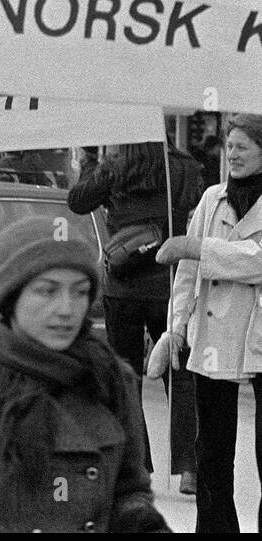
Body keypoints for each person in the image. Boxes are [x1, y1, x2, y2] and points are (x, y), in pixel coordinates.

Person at [0, 216, 169, 533]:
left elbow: (130, 490)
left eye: (79, 292)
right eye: (47, 291)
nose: (66, 308)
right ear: (11, 297)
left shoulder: (111, 378)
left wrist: (140, 524)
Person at [67, 140, 203, 494]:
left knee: (127, 376)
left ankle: (138, 464)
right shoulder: (185, 167)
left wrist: (89, 162)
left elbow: (78, 201)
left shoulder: (114, 167)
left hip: (123, 285)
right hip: (169, 282)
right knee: (180, 373)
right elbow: (192, 207)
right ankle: (190, 466)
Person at [159, 113, 262, 533]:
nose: (232, 155)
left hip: (257, 337)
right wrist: (175, 328)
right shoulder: (211, 199)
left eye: (242, 147)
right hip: (212, 336)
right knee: (212, 453)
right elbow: (187, 273)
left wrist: (202, 247)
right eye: (229, 146)